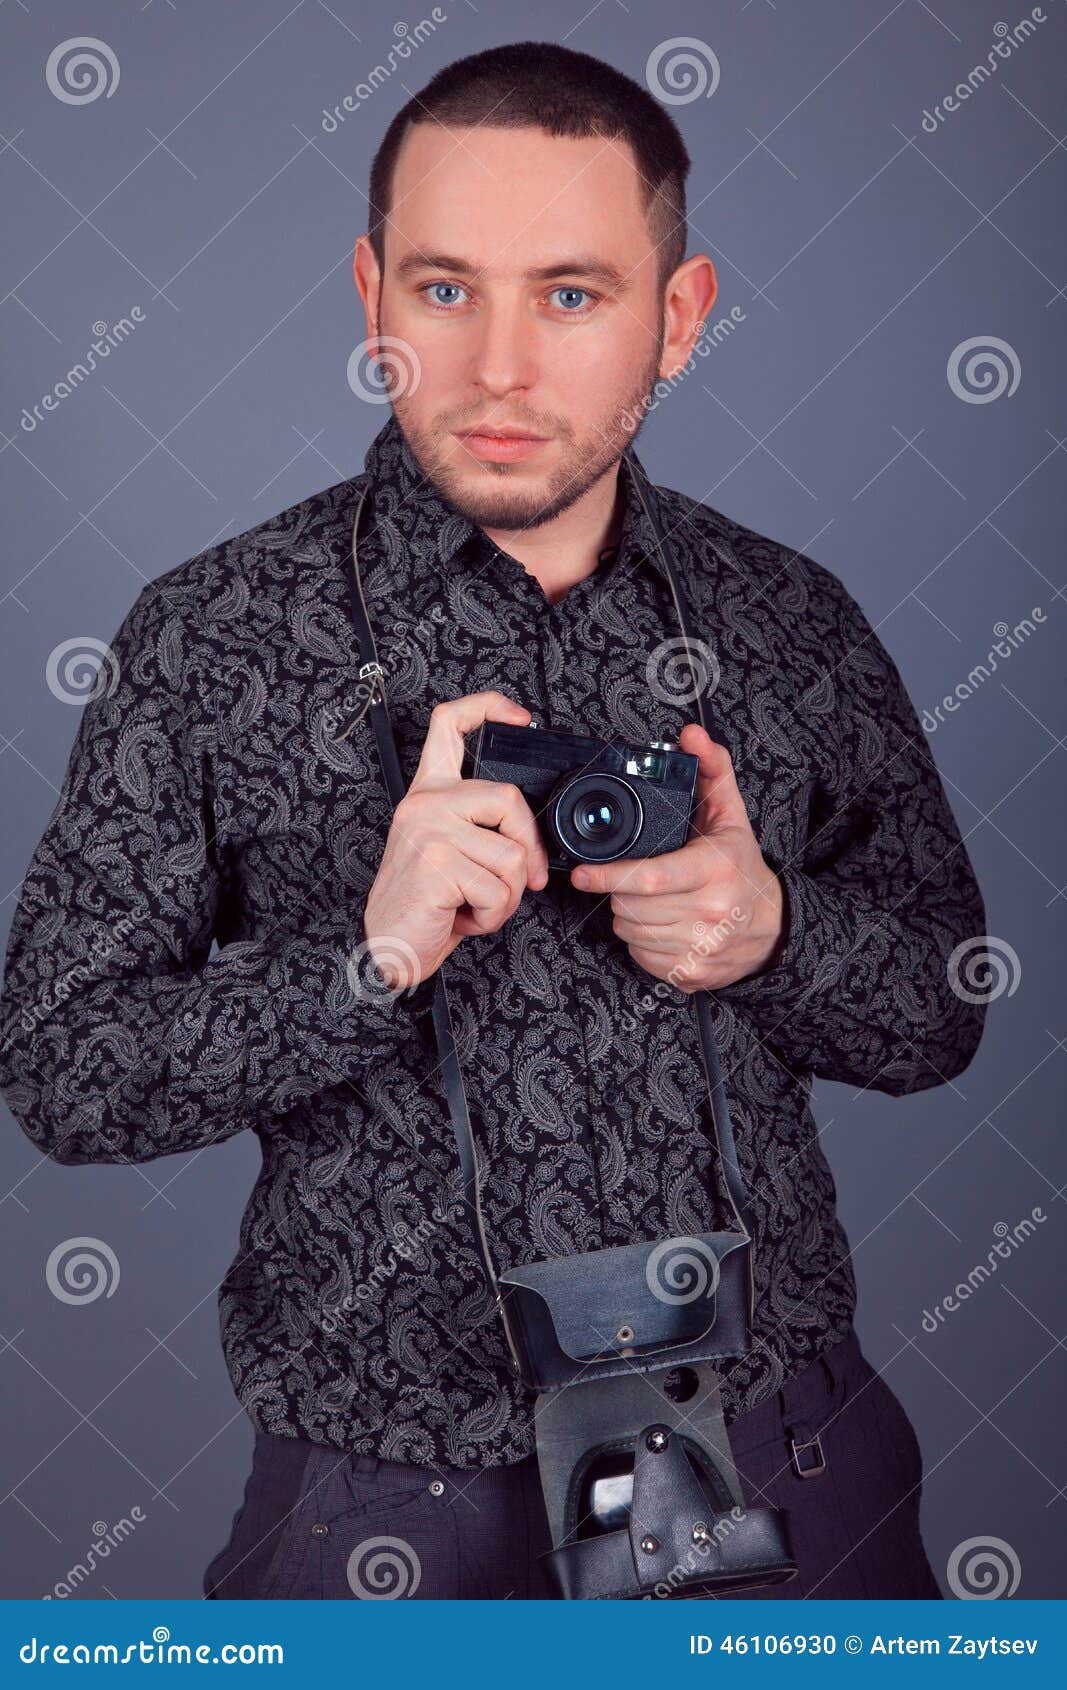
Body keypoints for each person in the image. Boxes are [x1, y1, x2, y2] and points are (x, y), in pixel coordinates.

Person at [0, 42, 986, 1601]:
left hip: (787, 1473)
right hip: (388, 1501)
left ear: (681, 315)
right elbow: (58, 1073)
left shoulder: (795, 623)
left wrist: (775, 933)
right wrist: (364, 964)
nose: (502, 367)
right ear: (370, 294)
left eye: (573, 295)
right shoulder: (212, 635)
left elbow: (947, 1009)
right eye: (446, 290)